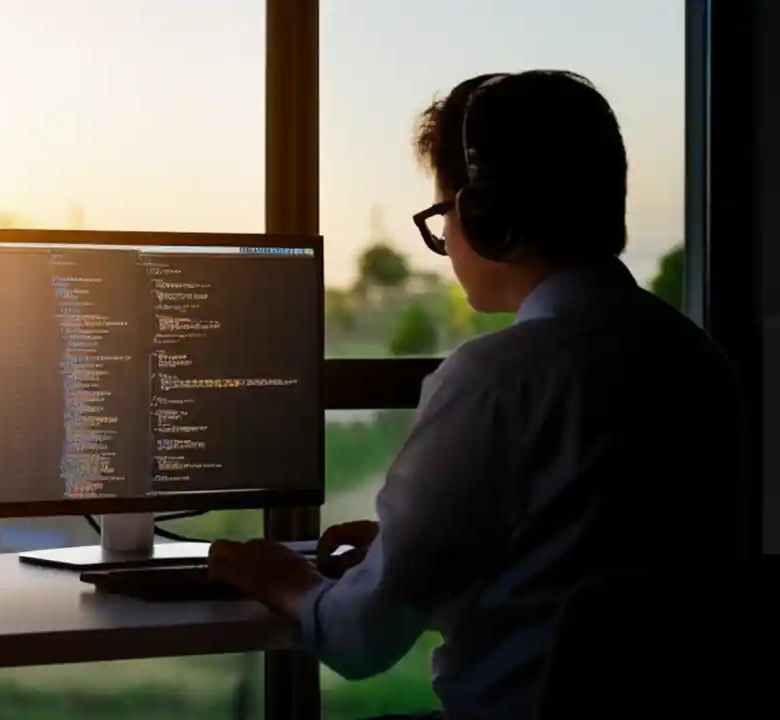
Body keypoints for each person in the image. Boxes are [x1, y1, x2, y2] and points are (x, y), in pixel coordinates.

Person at [208, 70, 743, 719]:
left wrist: (283, 580)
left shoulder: (494, 382)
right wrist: (418, 545)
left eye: (443, 216)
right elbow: (581, 579)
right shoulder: (701, 360)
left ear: (486, 217)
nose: (446, 245)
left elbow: (359, 641)